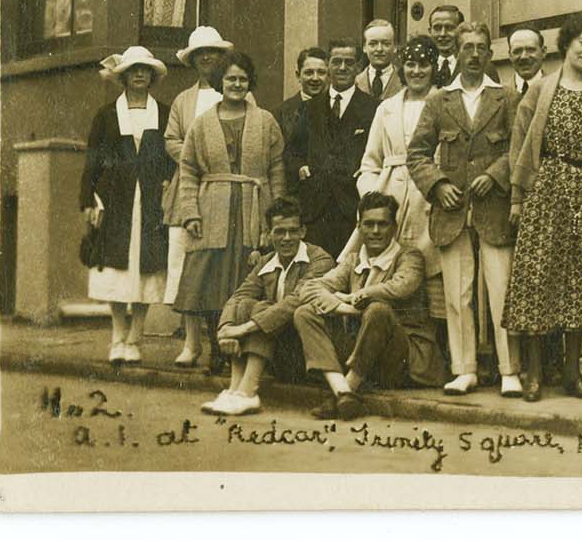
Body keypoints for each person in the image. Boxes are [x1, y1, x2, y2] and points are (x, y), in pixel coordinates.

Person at [504, 13, 582, 402]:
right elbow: (519, 146)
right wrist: (519, 197)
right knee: (538, 281)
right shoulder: (540, 90)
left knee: (580, 285)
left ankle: (573, 374)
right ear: (567, 44)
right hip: (545, 190)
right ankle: (534, 374)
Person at [408, 25, 522, 397]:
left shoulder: (505, 97)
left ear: (490, 54)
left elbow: (519, 149)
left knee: (501, 289)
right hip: (452, 211)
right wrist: (438, 185)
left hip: (494, 209)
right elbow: (417, 154)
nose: (474, 55)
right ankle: (464, 368)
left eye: (481, 48)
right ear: (456, 53)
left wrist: (495, 174)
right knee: (458, 294)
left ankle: (509, 371)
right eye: (467, 48)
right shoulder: (439, 101)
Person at [172, 50, 287, 374]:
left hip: (253, 207)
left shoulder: (265, 121)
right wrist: (190, 213)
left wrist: (276, 214)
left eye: (242, 79)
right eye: (230, 79)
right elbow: (189, 170)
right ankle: (216, 349)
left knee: (247, 282)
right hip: (214, 209)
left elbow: (277, 170)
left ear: (250, 82)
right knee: (210, 284)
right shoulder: (202, 123)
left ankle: (245, 350)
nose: (237, 84)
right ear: (219, 82)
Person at [344, 34, 445, 373]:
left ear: (434, 68)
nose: (417, 71)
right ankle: (378, 343)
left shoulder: (443, 102)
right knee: (386, 263)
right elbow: (370, 161)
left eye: (424, 64)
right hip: (390, 195)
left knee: (431, 271)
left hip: (427, 196)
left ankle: (432, 354)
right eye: (411, 64)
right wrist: (375, 194)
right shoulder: (386, 107)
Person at [293, 192, 442, 420]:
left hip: (401, 359)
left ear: (394, 226)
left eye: (382, 224)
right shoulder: (353, 261)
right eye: (368, 224)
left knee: (378, 310)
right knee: (304, 313)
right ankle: (342, 392)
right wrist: (345, 307)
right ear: (359, 227)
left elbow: (399, 288)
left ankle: (347, 389)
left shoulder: (409, 257)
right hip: (363, 355)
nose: (375, 231)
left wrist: (355, 297)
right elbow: (309, 288)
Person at [80, 45, 175, 365]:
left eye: (145, 70)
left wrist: (168, 186)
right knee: (117, 270)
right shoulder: (106, 115)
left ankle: (136, 337)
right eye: (133, 70)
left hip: (151, 203)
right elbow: (92, 162)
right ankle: (117, 336)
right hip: (115, 203)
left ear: (152, 76)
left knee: (146, 268)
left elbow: (171, 158)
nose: (139, 74)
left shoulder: (163, 113)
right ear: (123, 76)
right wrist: (87, 201)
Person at [204, 198, 335, 416]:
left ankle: (248, 391)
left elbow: (294, 302)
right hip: (273, 354)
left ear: (303, 231)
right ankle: (235, 388)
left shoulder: (320, 260)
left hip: (304, 357)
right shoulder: (266, 261)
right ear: (269, 233)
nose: (286, 238)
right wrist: (225, 329)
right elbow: (239, 297)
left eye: (293, 231)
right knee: (247, 303)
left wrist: (243, 329)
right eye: (279, 231)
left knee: (264, 308)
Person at [163, 25, 234, 366]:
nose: (207, 57)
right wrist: (197, 160)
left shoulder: (237, 93)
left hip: (223, 189)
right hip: (189, 188)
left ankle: (222, 343)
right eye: (200, 53)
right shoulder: (183, 100)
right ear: (192, 61)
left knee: (219, 267)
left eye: (213, 52)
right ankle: (191, 343)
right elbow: (172, 140)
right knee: (185, 265)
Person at [286, 39, 379, 260]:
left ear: (358, 67)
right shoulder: (309, 107)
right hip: (316, 210)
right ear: (328, 65)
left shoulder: (373, 108)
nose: (343, 68)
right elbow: (292, 152)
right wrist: (300, 167)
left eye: (349, 62)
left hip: (351, 209)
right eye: (337, 62)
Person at [276, 47, 329, 148]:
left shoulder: (336, 109)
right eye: (309, 72)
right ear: (298, 75)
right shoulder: (280, 113)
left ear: (328, 75)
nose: (315, 78)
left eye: (321, 72)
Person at [357, 19, 402, 102]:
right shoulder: (355, 82)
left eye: (386, 43)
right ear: (364, 47)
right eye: (373, 44)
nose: (379, 49)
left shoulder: (404, 82)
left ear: (395, 47)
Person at [427, 4, 466, 88]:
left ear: (461, 31)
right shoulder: (421, 67)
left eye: (449, 28)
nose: (443, 34)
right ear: (430, 32)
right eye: (437, 28)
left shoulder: (477, 66)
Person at [506, 25, 546, 97]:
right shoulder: (499, 95)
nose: (524, 57)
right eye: (517, 51)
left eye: (530, 49)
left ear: (543, 52)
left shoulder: (557, 90)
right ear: (510, 56)